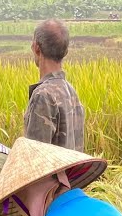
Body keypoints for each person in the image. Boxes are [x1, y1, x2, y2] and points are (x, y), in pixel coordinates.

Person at [24, 19, 85, 152]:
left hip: (52, 173)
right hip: (71, 173)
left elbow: (35, 157)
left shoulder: (43, 96)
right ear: (65, 51)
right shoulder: (70, 91)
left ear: (36, 48)